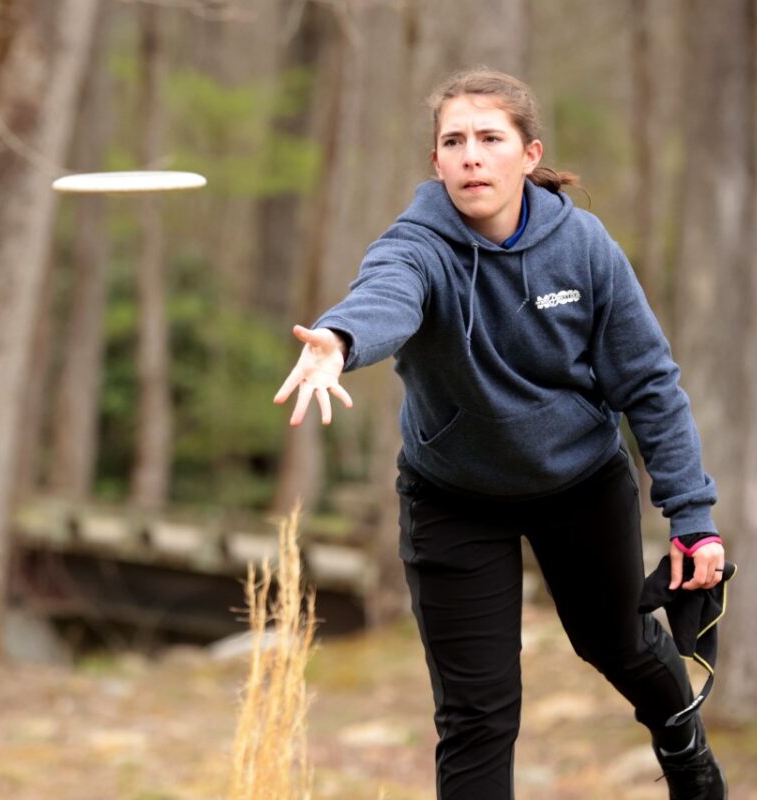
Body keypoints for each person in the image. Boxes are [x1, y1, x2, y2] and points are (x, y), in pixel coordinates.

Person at [274, 68, 728, 800]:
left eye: (490, 139)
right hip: (455, 496)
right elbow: (387, 293)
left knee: (620, 647)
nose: (471, 156)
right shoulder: (418, 246)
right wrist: (339, 338)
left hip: (578, 482)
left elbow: (648, 383)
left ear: (528, 153)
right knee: (477, 714)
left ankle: (688, 755)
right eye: (453, 141)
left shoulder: (583, 248)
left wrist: (693, 518)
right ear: (436, 163)